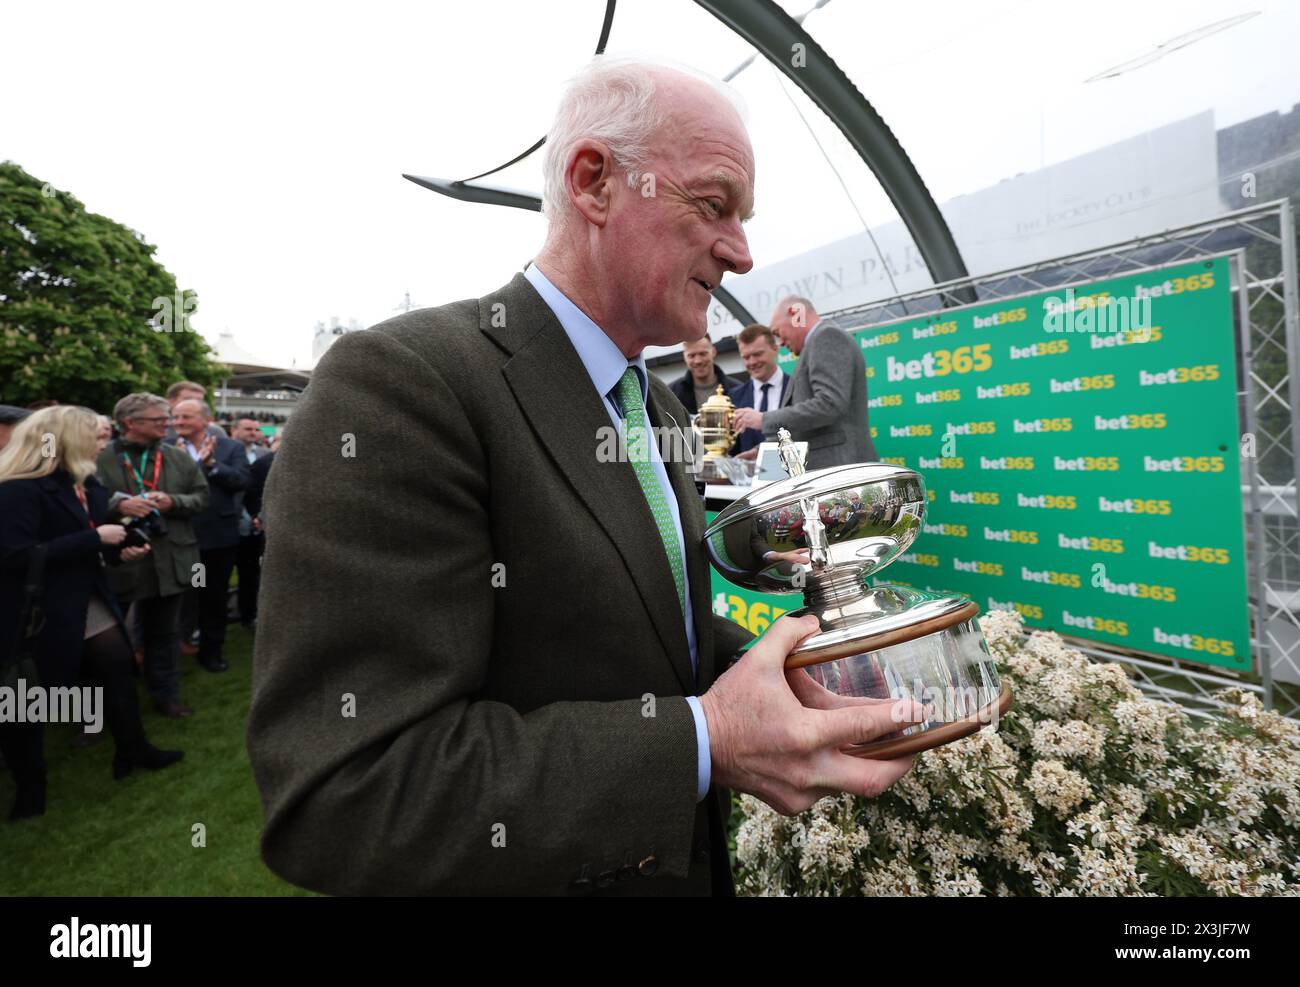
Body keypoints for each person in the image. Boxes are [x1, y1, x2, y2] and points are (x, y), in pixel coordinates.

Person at [247, 56, 922, 896]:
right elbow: (348, 794)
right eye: (714, 204)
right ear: (596, 182)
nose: (743, 254)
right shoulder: (403, 384)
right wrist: (704, 741)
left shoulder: (662, 414)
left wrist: (779, 676)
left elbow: (646, 627)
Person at [0, 406, 183, 821]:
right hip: (33, 613)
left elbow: (86, 544)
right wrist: (94, 538)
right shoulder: (17, 489)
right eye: (91, 435)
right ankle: (30, 789)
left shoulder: (83, 483)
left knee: (119, 669)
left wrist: (118, 548)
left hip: (86, 598)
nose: (101, 441)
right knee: (26, 700)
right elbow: (14, 557)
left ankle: (134, 750)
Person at [96, 393, 209, 718]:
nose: (169, 424)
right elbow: (80, 502)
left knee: (165, 632)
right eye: (159, 420)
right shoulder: (99, 457)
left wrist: (173, 502)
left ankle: (165, 695)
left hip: (170, 560)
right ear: (131, 423)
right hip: (121, 561)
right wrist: (117, 504)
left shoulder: (178, 457)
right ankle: (102, 711)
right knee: (107, 642)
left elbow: (202, 498)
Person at [733, 296, 876, 468]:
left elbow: (829, 405)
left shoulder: (826, 336)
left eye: (778, 333)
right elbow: (805, 426)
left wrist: (763, 419)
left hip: (839, 470)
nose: (781, 343)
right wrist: (762, 451)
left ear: (795, 313)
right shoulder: (817, 342)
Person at [172, 399, 250, 672]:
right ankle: (174, 649)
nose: (179, 422)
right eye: (176, 416)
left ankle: (211, 651)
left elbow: (242, 481)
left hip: (216, 540)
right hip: (179, 537)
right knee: (182, 597)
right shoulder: (167, 448)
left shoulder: (230, 448)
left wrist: (212, 465)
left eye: (186, 417)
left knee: (212, 597)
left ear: (206, 420)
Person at [727, 324, 790, 458]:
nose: (752, 362)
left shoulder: (795, 387)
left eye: (757, 354)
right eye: (746, 357)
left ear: (775, 348)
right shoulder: (734, 396)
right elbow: (732, 447)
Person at [231, 418, 268, 627]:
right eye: (248, 429)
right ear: (234, 430)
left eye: (256, 429)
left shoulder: (264, 456)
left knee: (251, 574)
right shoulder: (221, 452)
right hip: (229, 525)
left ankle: (248, 614)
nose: (253, 432)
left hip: (255, 526)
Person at [669, 333, 741, 416]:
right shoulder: (672, 393)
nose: (698, 361)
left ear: (713, 352)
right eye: (691, 356)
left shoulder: (738, 389)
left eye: (703, 354)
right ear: (684, 357)